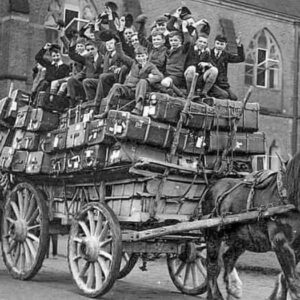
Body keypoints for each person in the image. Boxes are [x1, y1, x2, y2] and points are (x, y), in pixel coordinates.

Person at [99, 43, 164, 117]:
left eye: (143, 56)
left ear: (147, 56)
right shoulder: (133, 63)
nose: (141, 58)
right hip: (129, 89)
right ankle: (107, 110)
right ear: (136, 57)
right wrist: (117, 43)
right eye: (138, 56)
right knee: (116, 86)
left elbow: (160, 76)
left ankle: (139, 106)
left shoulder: (150, 66)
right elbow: (122, 56)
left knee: (143, 81)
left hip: (140, 91)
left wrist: (148, 79)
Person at [161, 20, 191, 97]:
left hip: (177, 77)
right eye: (171, 41)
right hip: (168, 75)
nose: (173, 42)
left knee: (165, 82)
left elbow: (187, 42)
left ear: (180, 41)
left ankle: (182, 95)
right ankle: (173, 93)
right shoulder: (168, 51)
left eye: (175, 40)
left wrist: (184, 28)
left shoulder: (182, 50)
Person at [185, 27, 218, 97]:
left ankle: (204, 93)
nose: (202, 44)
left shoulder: (206, 53)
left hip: (199, 78)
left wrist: (207, 64)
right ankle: (190, 92)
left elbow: (213, 65)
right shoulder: (189, 49)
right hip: (187, 76)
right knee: (192, 69)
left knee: (214, 70)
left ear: (206, 44)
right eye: (200, 41)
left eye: (204, 43)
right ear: (196, 41)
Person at [209, 33, 245, 100]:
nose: (219, 46)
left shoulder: (226, 55)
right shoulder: (209, 53)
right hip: (211, 83)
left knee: (234, 98)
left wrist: (239, 45)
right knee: (224, 95)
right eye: (218, 43)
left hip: (222, 83)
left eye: (222, 44)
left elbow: (240, 58)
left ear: (225, 45)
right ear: (214, 43)